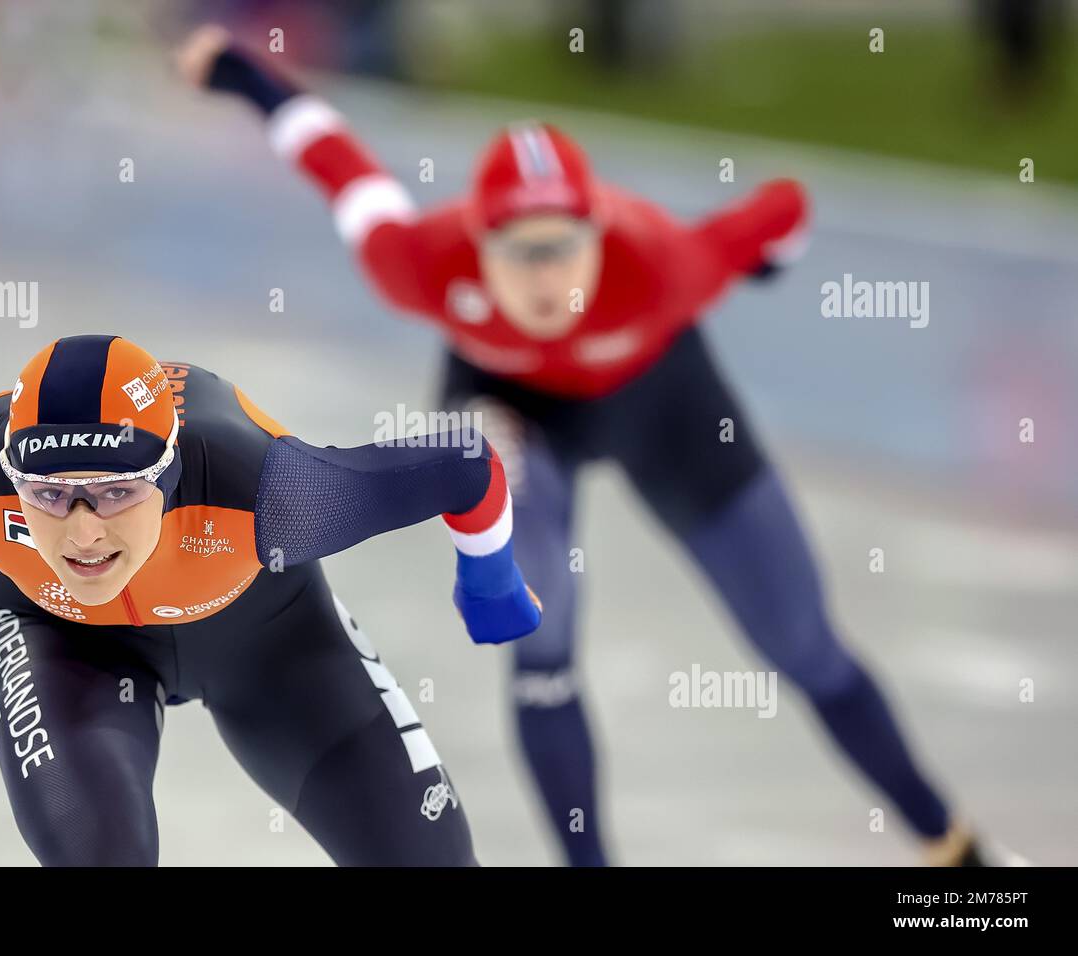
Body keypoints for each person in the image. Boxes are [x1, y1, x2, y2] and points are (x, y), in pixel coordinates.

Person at [179, 25, 1012, 866]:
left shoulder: (662, 263)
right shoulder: (420, 260)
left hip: (663, 403)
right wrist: (244, 72)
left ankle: (952, 846)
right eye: (519, 254)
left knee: (803, 645)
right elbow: (337, 160)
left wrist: (773, 255)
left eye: (563, 251)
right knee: (540, 644)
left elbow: (783, 207)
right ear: (477, 243)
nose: (544, 281)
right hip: (512, 411)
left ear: (598, 236)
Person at [0, 276, 541, 866]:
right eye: (48, 494)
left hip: (266, 637)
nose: (82, 532)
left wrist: (492, 584)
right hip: (55, 632)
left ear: (168, 479)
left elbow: (465, 464)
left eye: (116, 492)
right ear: (11, 474)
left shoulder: (272, 497)